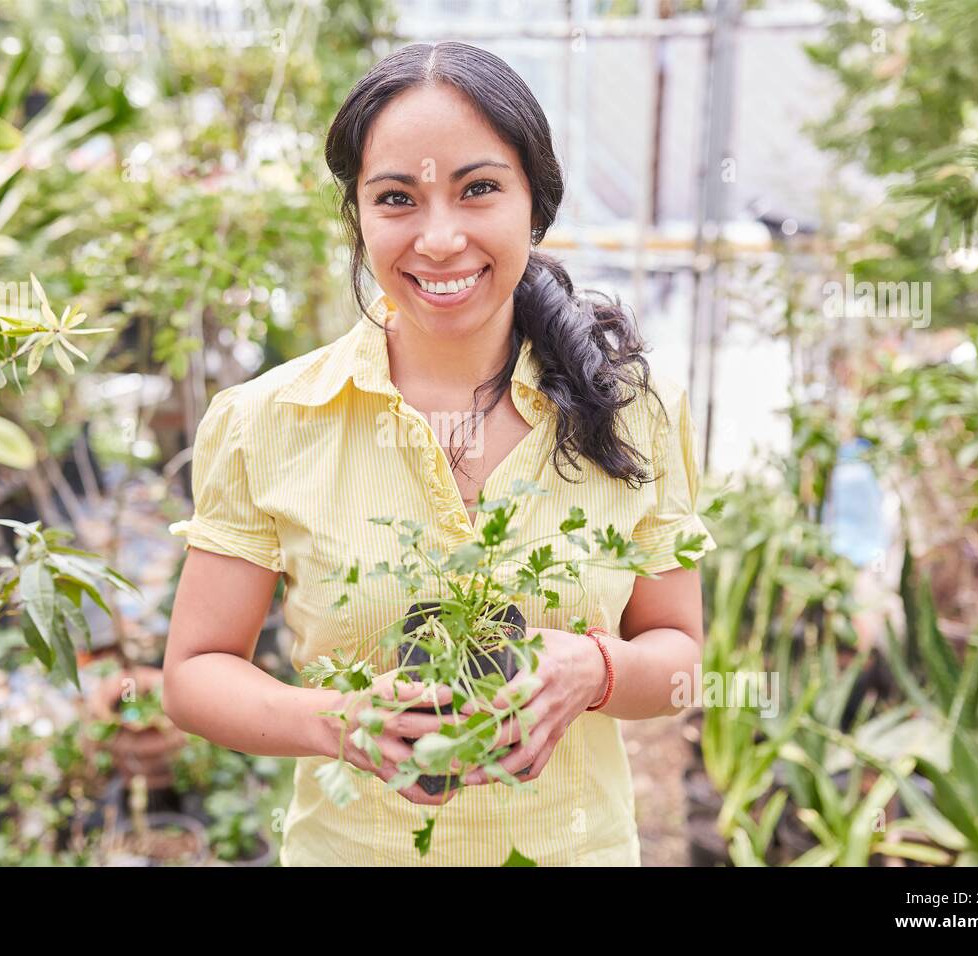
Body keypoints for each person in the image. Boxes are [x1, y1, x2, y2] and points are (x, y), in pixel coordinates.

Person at [163, 41, 717, 866]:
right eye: (397, 198)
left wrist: (595, 672)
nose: (441, 238)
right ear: (358, 216)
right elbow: (195, 671)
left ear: (535, 204)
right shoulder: (267, 419)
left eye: (479, 188)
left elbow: (680, 660)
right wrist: (338, 723)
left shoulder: (633, 412)